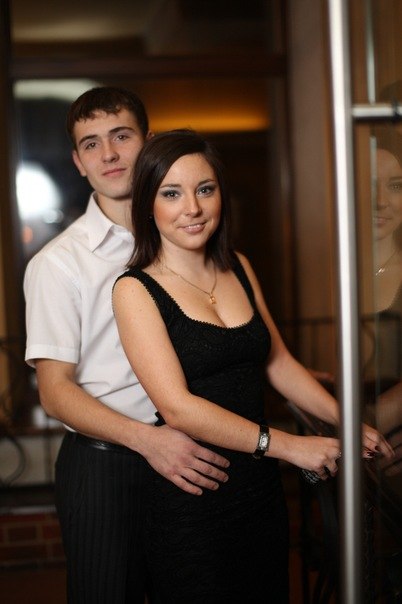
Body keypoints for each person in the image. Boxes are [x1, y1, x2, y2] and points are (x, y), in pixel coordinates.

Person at [112, 128, 394, 603]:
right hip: (195, 492)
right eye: (171, 193)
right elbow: (177, 407)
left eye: (205, 189)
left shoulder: (238, 266)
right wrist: (289, 447)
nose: (192, 208)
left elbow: (279, 363)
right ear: (147, 205)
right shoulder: (134, 289)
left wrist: (343, 419)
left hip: (260, 490)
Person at [23, 88, 230, 604]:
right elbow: (54, 392)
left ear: (149, 142)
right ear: (78, 162)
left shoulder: (186, 233)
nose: (109, 154)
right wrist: (148, 441)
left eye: (121, 136)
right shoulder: (58, 263)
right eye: (91, 144)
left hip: (195, 453)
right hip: (109, 468)